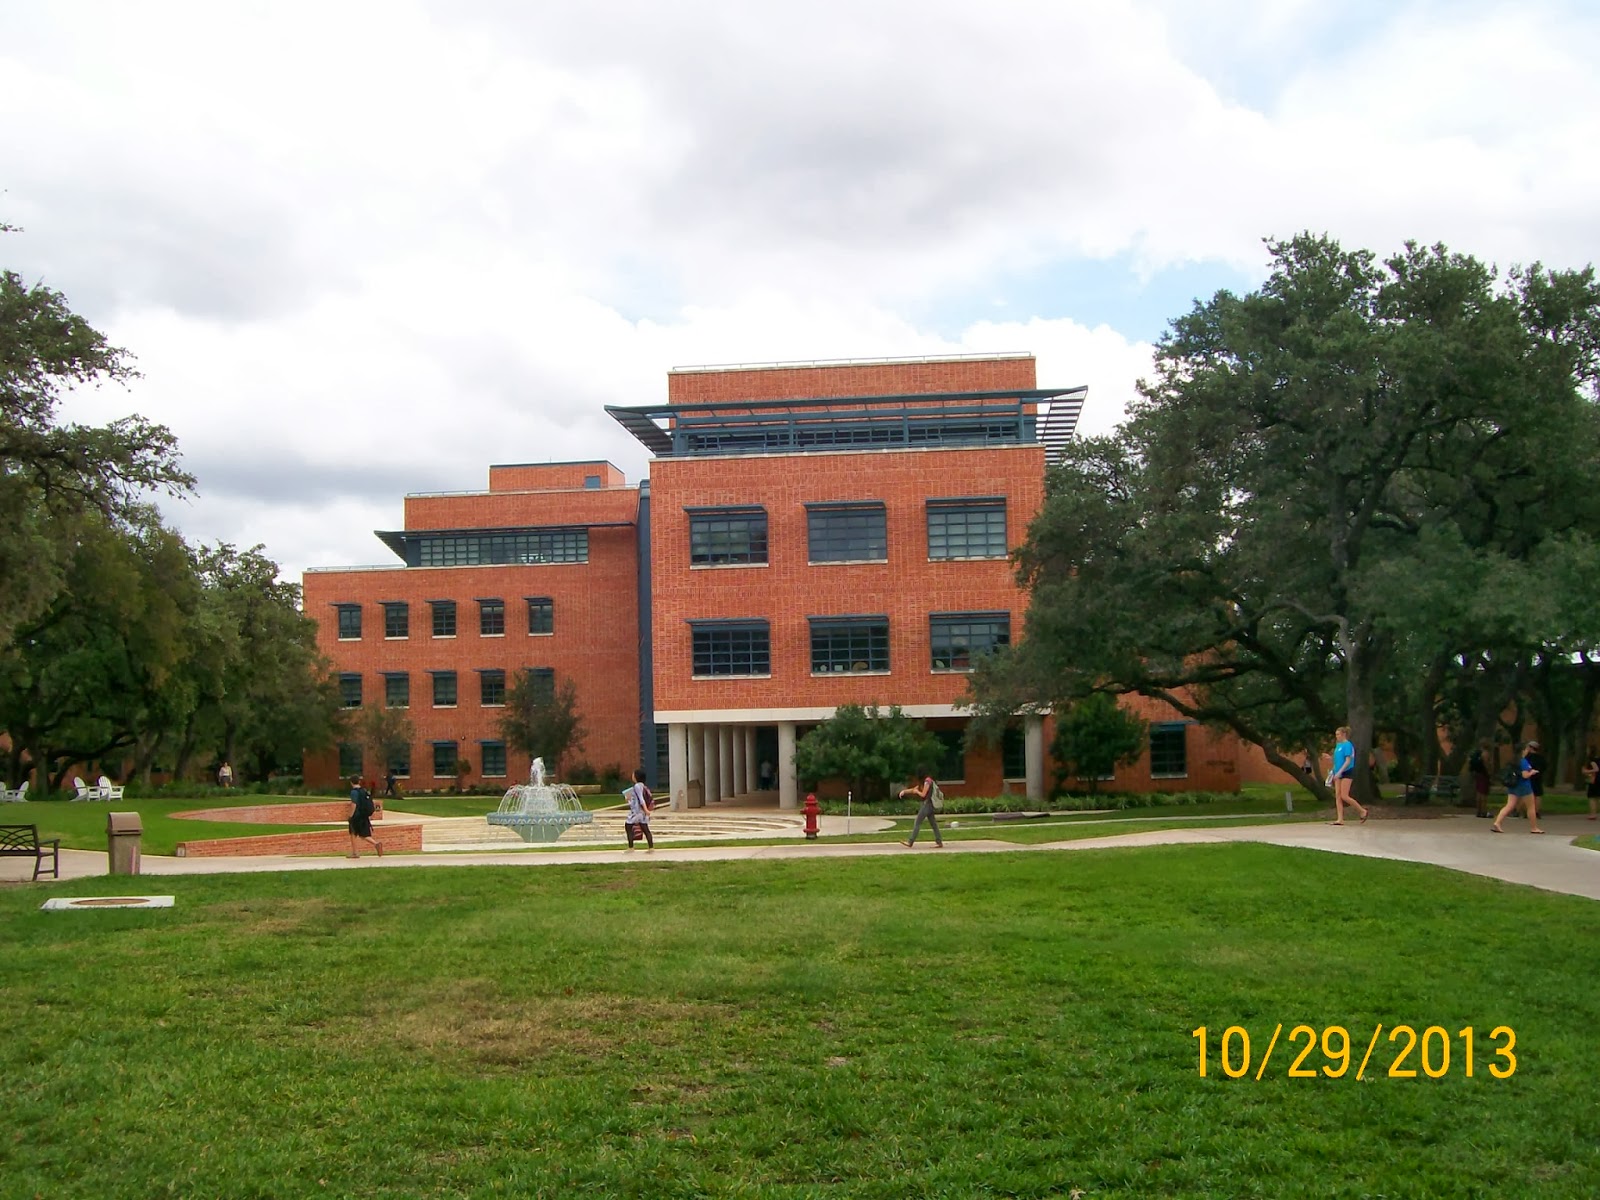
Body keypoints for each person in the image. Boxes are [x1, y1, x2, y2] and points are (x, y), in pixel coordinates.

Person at [1491, 743, 1542, 834]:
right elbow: (1525, 775)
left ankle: (1497, 822)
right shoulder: (1523, 761)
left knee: (1509, 805)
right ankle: (1534, 827)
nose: (1527, 751)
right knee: (1531, 807)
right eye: (1526, 749)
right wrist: (1532, 772)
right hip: (1524, 786)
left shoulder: (1513, 761)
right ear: (1523, 751)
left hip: (1513, 785)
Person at [1328, 726, 1369, 825]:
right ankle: (1340, 819)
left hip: (1346, 771)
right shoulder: (1338, 746)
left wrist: (1340, 772)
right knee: (1338, 796)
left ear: (1344, 734)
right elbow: (1337, 760)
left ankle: (1362, 811)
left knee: (1344, 796)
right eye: (1336, 734)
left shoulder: (1348, 745)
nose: (1336, 736)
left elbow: (1347, 761)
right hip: (1337, 771)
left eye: (1338, 734)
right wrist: (1330, 760)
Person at [898, 772, 944, 848]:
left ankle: (910, 841)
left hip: (927, 805)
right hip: (930, 805)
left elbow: (923, 794)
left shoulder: (927, 781)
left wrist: (917, 792)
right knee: (934, 824)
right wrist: (904, 792)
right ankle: (939, 842)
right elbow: (914, 789)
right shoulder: (927, 781)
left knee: (917, 822)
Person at [347, 776, 384, 858]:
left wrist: (350, 816)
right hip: (364, 816)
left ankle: (355, 853)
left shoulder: (354, 792)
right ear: (359, 782)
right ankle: (376, 844)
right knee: (363, 834)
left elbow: (354, 804)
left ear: (351, 782)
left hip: (356, 816)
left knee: (353, 833)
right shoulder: (363, 791)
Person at [623, 768, 654, 849]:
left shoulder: (637, 786)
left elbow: (641, 799)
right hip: (642, 812)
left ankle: (631, 847)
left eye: (633, 774)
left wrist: (646, 810)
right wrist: (629, 800)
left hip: (637, 812)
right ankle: (651, 847)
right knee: (645, 828)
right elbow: (636, 800)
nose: (632, 776)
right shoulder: (643, 786)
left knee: (628, 826)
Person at [1468, 743, 1492, 818]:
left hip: (1477, 774)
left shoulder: (1478, 753)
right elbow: (1486, 764)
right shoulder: (1485, 754)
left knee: (1479, 792)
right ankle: (1484, 811)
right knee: (1483, 793)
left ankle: (1478, 811)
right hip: (1484, 774)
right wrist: (1489, 773)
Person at [1524, 741, 1545, 823]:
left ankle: (1528, 812)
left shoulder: (1527, 757)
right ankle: (1536, 812)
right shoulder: (1541, 758)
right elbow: (1544, 766)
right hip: (1538, 777)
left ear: (1531, 748)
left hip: (1529, 777)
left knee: (1528, 794)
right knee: (1538, 794)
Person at [1584, 748, 1600, 821]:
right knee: (1597, 798)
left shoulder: (1592, 761)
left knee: (1592, 798)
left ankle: (1593, 814)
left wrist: (1586, 771)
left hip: (1594, 781)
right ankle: (1594, 813)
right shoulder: (1598, 760)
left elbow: (1596, 769)